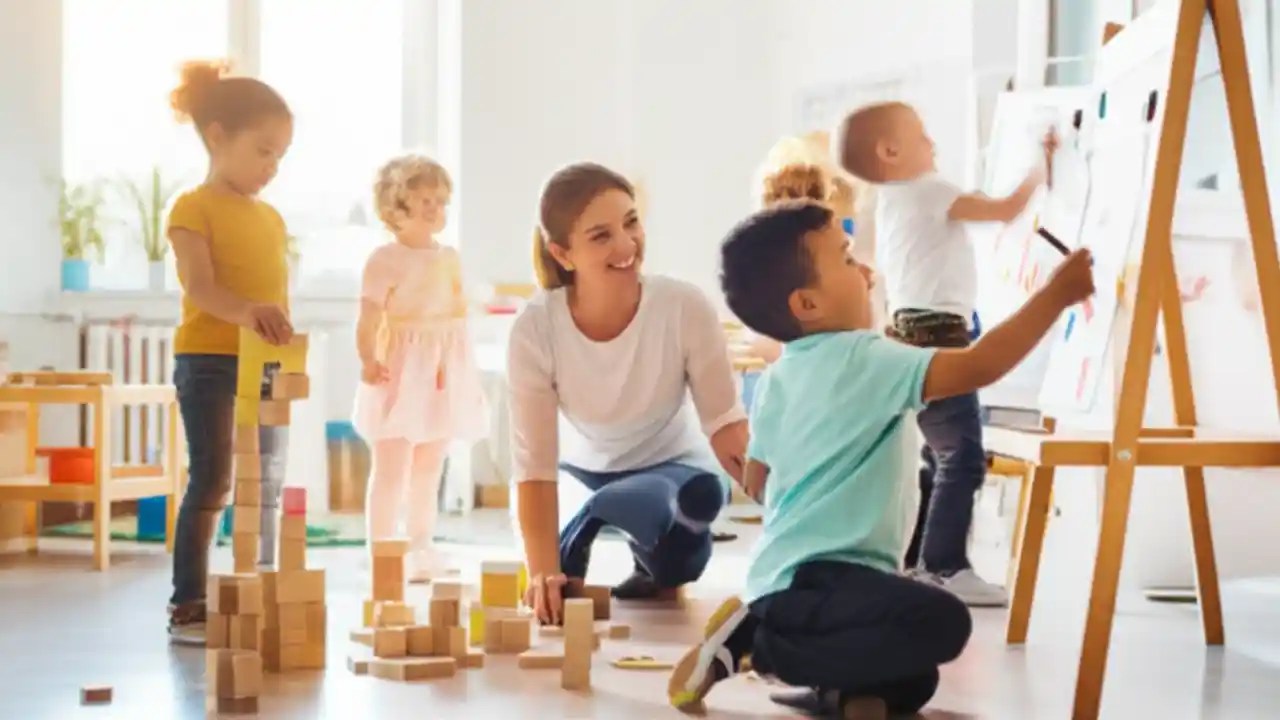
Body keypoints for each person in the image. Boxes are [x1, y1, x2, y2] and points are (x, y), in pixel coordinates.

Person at [668, 200, 1094, 717]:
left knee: (914, 680)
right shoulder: (871, 356)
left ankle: (834, 689)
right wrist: (1054, 297)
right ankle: (757, 644)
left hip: (788, 580)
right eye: (846, 259)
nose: (867, 270)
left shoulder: (780, 375)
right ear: (806, 304)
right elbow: (981, 364)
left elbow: (757, 478)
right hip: (818, 582)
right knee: (945, 623)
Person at [835, 101, 1055, 606]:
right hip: (939, 334)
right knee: (964, 458)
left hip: (905, 331)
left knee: (938, 456)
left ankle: (916, 562)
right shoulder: (932, 190)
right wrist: (1038, 173)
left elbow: (872, 259)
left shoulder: (887, 201)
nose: (932, 143)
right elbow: (1001, 211)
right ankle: (945, 566)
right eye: (922, 135)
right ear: (891, 151)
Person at [509, 162, 749, 622]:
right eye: (601, 236)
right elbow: (534, 466)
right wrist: (540, 572)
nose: (627, 245)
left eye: (631, 222)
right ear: (563, 254)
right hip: (580, 475)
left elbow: (726, 426)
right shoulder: (535, 327)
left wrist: (785, 505)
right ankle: (591, 516)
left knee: (681, 554)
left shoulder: (683, 305)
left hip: (671, 473)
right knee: (562, 567)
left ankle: (623, 530)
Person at [165, 60, 295, 644]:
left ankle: (256, 588)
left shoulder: (271, 217)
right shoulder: (193, 208)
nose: (272, 167)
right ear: (218, 136)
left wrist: (278, 331)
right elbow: (201, 287)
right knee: (214, 478)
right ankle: (189, 603)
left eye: (279, 157)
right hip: (210, 363)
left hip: (265, 366)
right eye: (263, 151)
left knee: (262, 481)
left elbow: (272, 296)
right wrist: (248, 313)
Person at [353, 154, 488, 582]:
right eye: (425, 200)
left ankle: (421, 545)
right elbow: (370, 316)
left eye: (441, 201)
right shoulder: (384, 259)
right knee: (392, 463)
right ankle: (382, 548)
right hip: (400, 367)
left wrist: (462, 371)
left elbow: (458, 312)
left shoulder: (448, 256)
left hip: (442, 370)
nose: (436, 209)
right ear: (397, 206)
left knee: (430, 463)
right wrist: (368, 360)